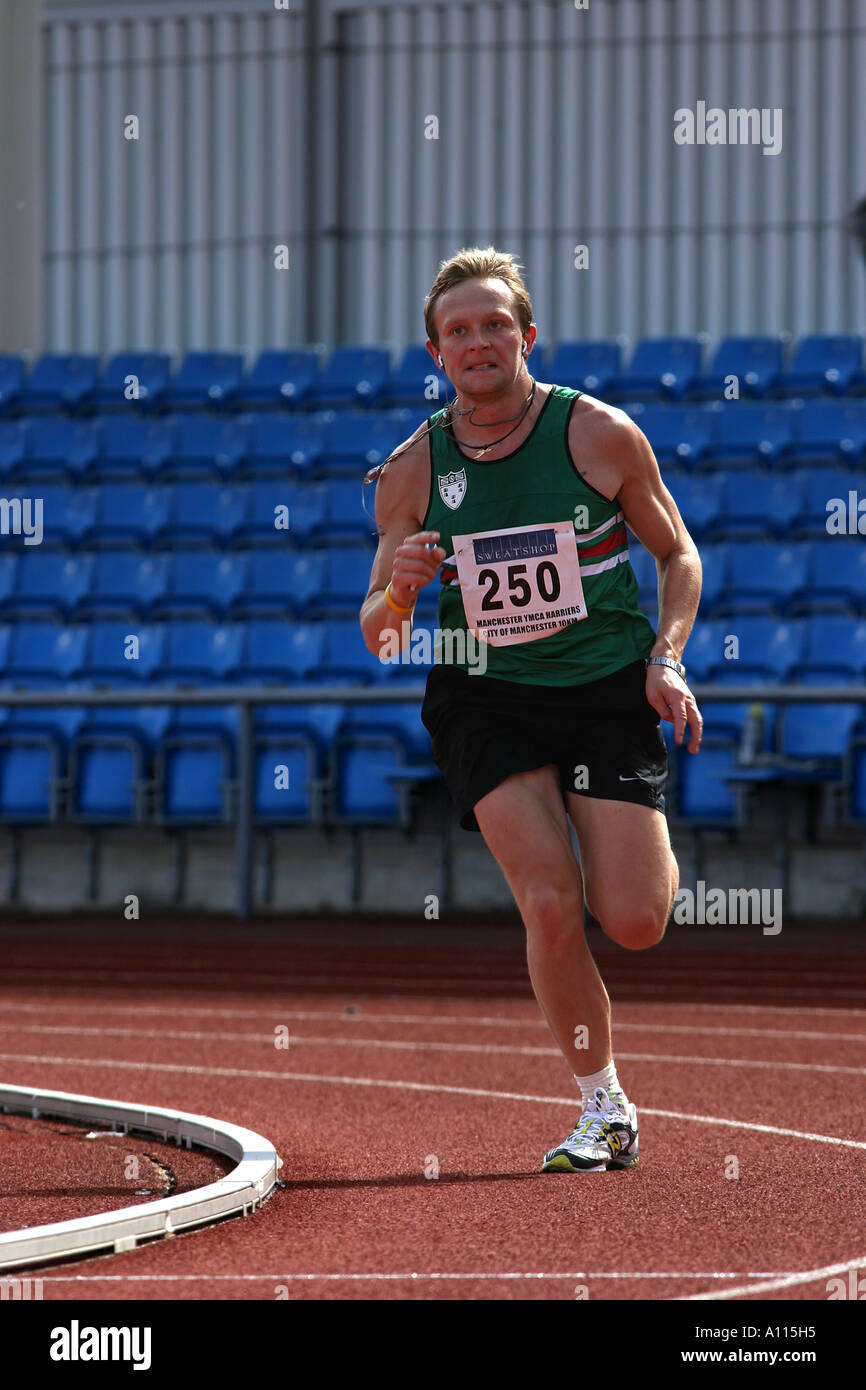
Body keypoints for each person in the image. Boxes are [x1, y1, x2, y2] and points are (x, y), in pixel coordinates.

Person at [360, 247, 703, 1172]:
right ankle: (604, 1108)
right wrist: (400, 591)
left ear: (528, 335)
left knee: (634, 919)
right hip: (485, 692)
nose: (479, 342)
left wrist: (666, 659)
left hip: (603, 686)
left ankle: (629, 849)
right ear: (436, 355)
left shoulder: (598, 435)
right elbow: (380, 635)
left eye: (495, 324)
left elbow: (678, 557)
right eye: (459, 331)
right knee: (550, 903)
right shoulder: (411, 470)